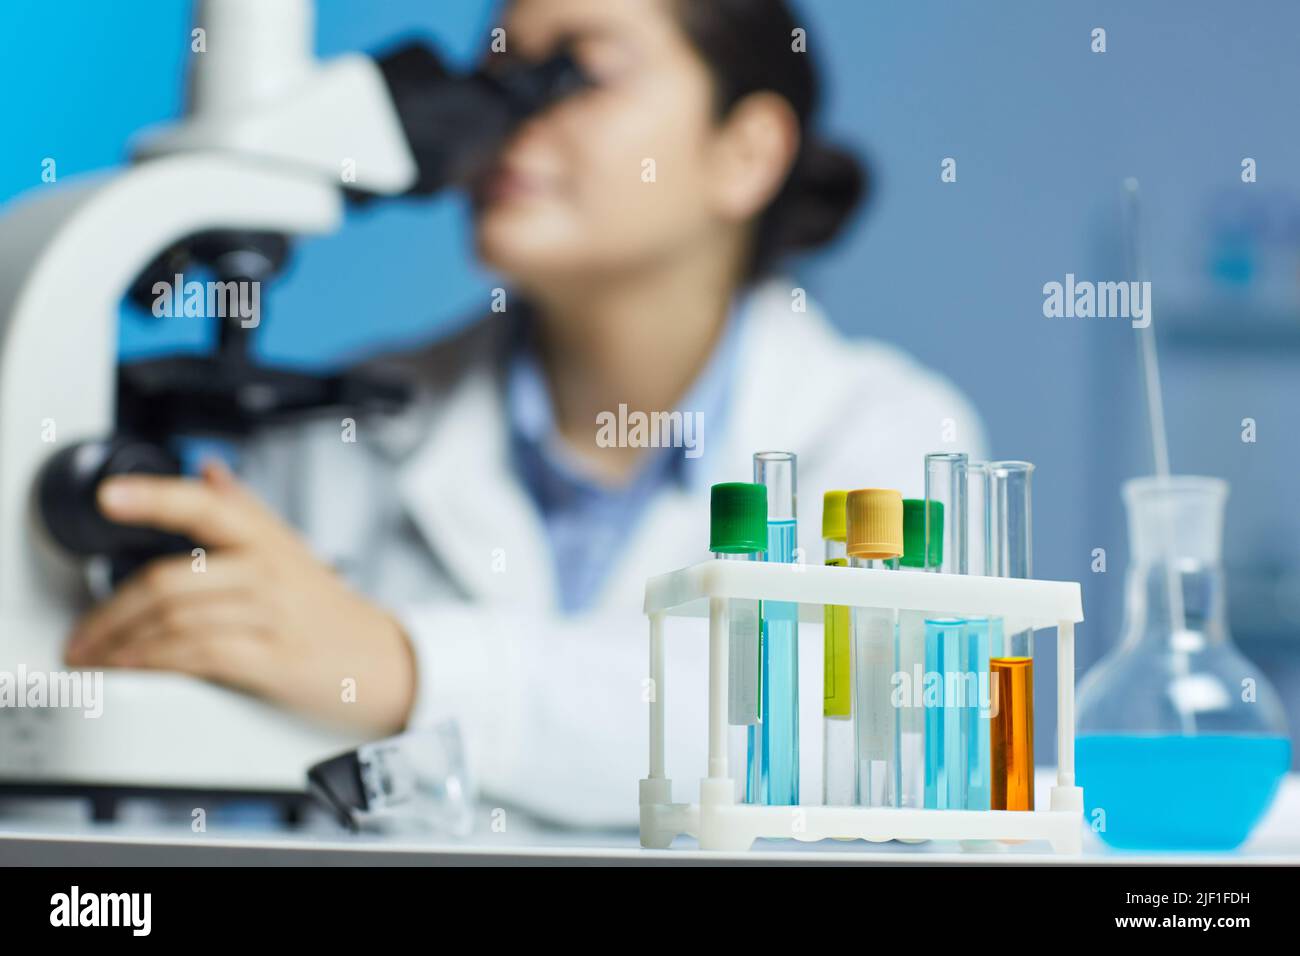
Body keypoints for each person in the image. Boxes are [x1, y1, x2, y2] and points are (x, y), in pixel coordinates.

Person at [65, 0, 984, 825]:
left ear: (745, 154)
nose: (510, 118)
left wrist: (401, 666)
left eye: (578, 70)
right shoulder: (339, 434)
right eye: (498, 71)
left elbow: (826, 730)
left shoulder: (885, 439)